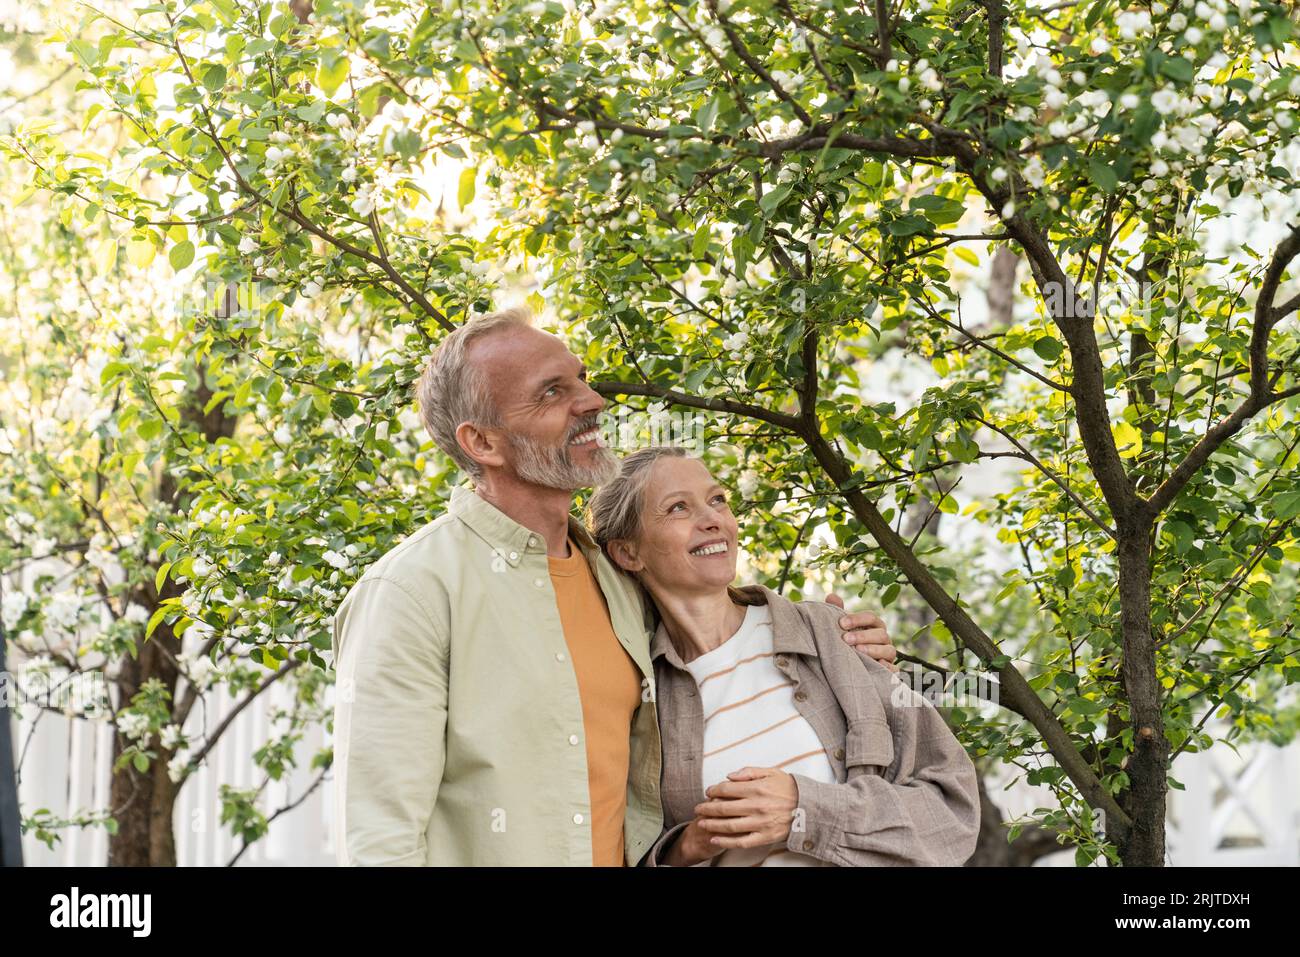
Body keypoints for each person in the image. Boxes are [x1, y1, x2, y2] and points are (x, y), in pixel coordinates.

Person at [330, 306, 898, 866]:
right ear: (483, 443)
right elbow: (379, 839)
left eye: (581, 378)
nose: (592, 400)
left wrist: (836, 646)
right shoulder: (410, 594)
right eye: (552, 391)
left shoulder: (617, 580)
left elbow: (715, 624)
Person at [588, 446, 980, 866]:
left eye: (717, 499)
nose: (713, 519)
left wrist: (803, 810)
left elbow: (952, 812)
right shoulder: (638, 696)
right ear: (628, 553)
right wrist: (686, 848)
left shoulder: (828, 637)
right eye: (679, 508)